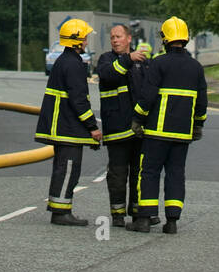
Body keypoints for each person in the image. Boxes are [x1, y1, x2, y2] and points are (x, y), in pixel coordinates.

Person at [130, 16, 207, 235]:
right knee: (176, 173)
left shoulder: (159, 63)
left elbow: (147, 95)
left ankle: (144, 220)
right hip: (182, 134)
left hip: (156, 132)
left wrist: (137, 119)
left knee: (149, 172)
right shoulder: (196, 67)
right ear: (185, 38)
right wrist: (198, 125)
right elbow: (202, 102)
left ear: (165, 38)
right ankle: (172, 221)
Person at [35, 18, 102, 226]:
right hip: (67, 128)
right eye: (85, 38)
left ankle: (59, 208)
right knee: (68, 168)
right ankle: (61, 212)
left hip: (63, 126)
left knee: (63, 167)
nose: (86, 42)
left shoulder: (64, 61)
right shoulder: (73, 64)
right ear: (76, 40)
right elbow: (78, 100)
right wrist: (93, 127)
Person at [96, 23, 157, 228]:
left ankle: (140, 213)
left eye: (119, 36)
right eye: (112, 37)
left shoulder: (142, 63)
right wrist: (128, 59)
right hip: (117, 129)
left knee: (140, 173)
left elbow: (150, 92)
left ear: (129, 38)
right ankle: (117, 214)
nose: (115, 40)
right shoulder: (106, 60)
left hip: (139, 129)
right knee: (118, 173)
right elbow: (108, 75)